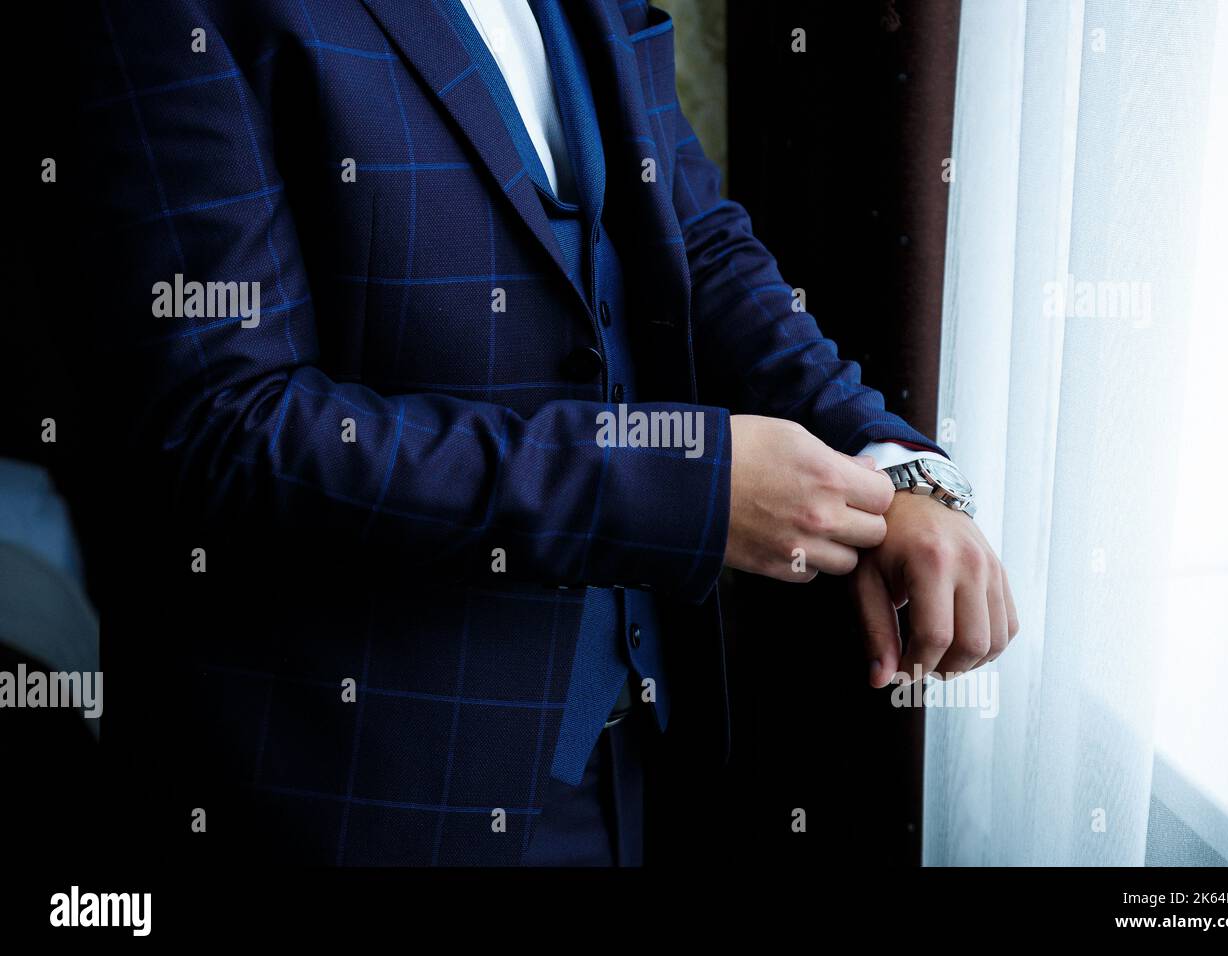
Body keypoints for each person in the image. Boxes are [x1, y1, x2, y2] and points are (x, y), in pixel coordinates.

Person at [77, 0, 1017, 866]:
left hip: (657, 756)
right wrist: (682, 489)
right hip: (358, 794)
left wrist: (889, 464)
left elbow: (693, 236)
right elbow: (225, 427)